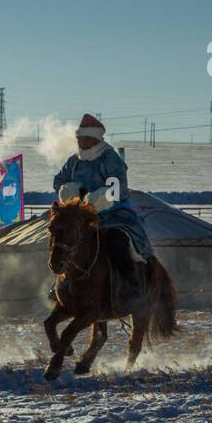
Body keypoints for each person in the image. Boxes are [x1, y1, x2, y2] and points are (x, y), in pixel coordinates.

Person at [51, 114, 154, 313]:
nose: (81, 142)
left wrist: (103, 197)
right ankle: (62, 282)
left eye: (86, 138)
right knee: (64, 240)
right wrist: (69, 190)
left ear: (96, 139)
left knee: (116, 241)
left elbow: (120, 188)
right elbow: (58, 181)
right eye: (79, 138)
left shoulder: (110, 158)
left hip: (114, 214)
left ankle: (131, 285)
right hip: (81, 217)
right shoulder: (73, 161)